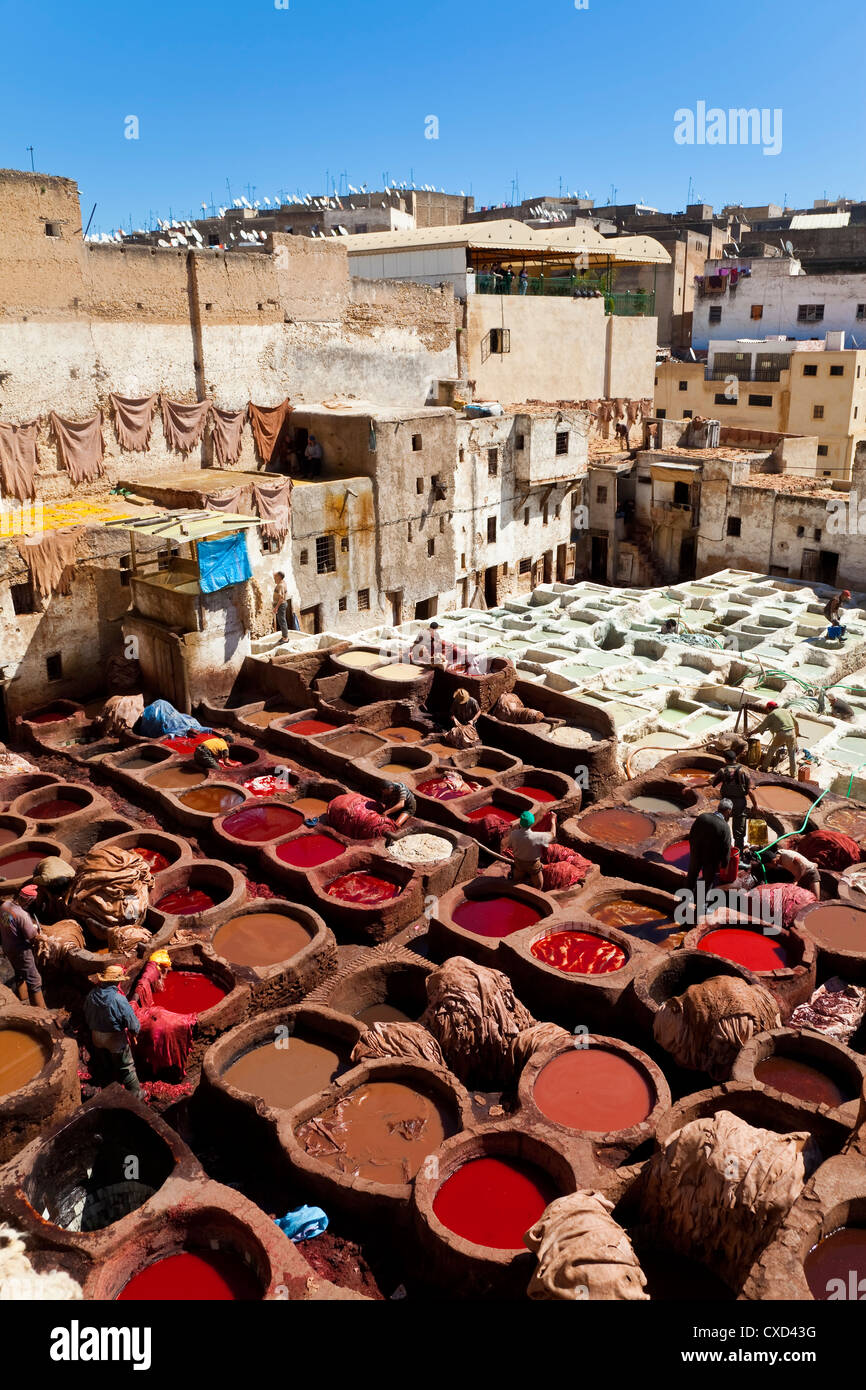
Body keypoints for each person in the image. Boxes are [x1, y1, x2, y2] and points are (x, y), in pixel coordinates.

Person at [84, 964, 143, 1097]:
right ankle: (136, 1094)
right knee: (127, 1066)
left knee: (105, 1057)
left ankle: (110, 1079)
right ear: (117, 982)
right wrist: (135, 1032)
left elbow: (86, 1013)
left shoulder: (92, 995)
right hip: (114, 1038)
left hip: (96, 1036)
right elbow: (132, 1023)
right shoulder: (119, 999)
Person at [0, 886, 46, 1009]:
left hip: (7, 946)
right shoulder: (22, 915)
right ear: (28, 901)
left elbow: (7, 923)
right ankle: (41, 1011)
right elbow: (32, 937)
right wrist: (41, 936)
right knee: (34, 980)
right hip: (21, 951)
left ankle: (24, 998)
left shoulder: (5, 905)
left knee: (20, 974)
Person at [710, 749, 758, 851]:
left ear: (725, 759)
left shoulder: (722, 771)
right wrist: (755, 805)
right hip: (739, 803)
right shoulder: (744, 770)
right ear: (736, 758)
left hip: (726, 803)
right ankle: (737, 853)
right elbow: (750, 791)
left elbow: (709, 782)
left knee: (721, 824)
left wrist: (691, 787)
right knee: (739, 831)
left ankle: (721, 849)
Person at [686, 800, 734, 902]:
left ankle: (685, 900)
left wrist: (693, 849)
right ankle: (700, 907)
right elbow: (726, 848)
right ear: (728, 811)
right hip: (711, 860)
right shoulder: (724, 827)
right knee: (707, 882)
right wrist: (725, 864)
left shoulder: (703, 817)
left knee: (692, 876)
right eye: (731, 812)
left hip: (696, 853)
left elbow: (692, 834)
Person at [509, 810, 556, 889]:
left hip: (519, 862)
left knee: (515, 882)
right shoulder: (537, 836)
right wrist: (553, 820)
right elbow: (553, 835)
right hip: (533, 865)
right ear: (532, 823)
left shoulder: (514, 834)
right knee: (538, 885)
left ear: (520, 823)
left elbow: (511, 845)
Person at [753, 701, 800, 777]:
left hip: (782, 733)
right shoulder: (785, 710)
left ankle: (764, 768)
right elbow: (796, 723)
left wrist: (750, 733)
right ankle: (793, 773)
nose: (767, 711)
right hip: (792, 732)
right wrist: (797, 733)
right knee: (792, 753)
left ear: (770, 708)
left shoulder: (771, 714)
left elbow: (760, 728)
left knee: (771, 750)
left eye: (767, 709)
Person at [28, 856, 75, 925]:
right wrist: (48, 894)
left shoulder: (72, 875)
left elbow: (69, 888)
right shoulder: (45, 879)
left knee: (58, 898)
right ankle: (38, 910)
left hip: (58, 863)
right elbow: (35, 881)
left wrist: (66, 901)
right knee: (41, 894)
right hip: (42, 865)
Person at [273, 570, 290, 641]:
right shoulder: (282, 582)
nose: (274, 578)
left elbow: (281, 598)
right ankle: (284, 636)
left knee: (282, 621)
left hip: (281, 605)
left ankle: (285, 638)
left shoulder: (280, 585)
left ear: (279, 577)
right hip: (282, 604)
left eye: (275, 577)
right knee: (282, 620)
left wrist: (276, 608)